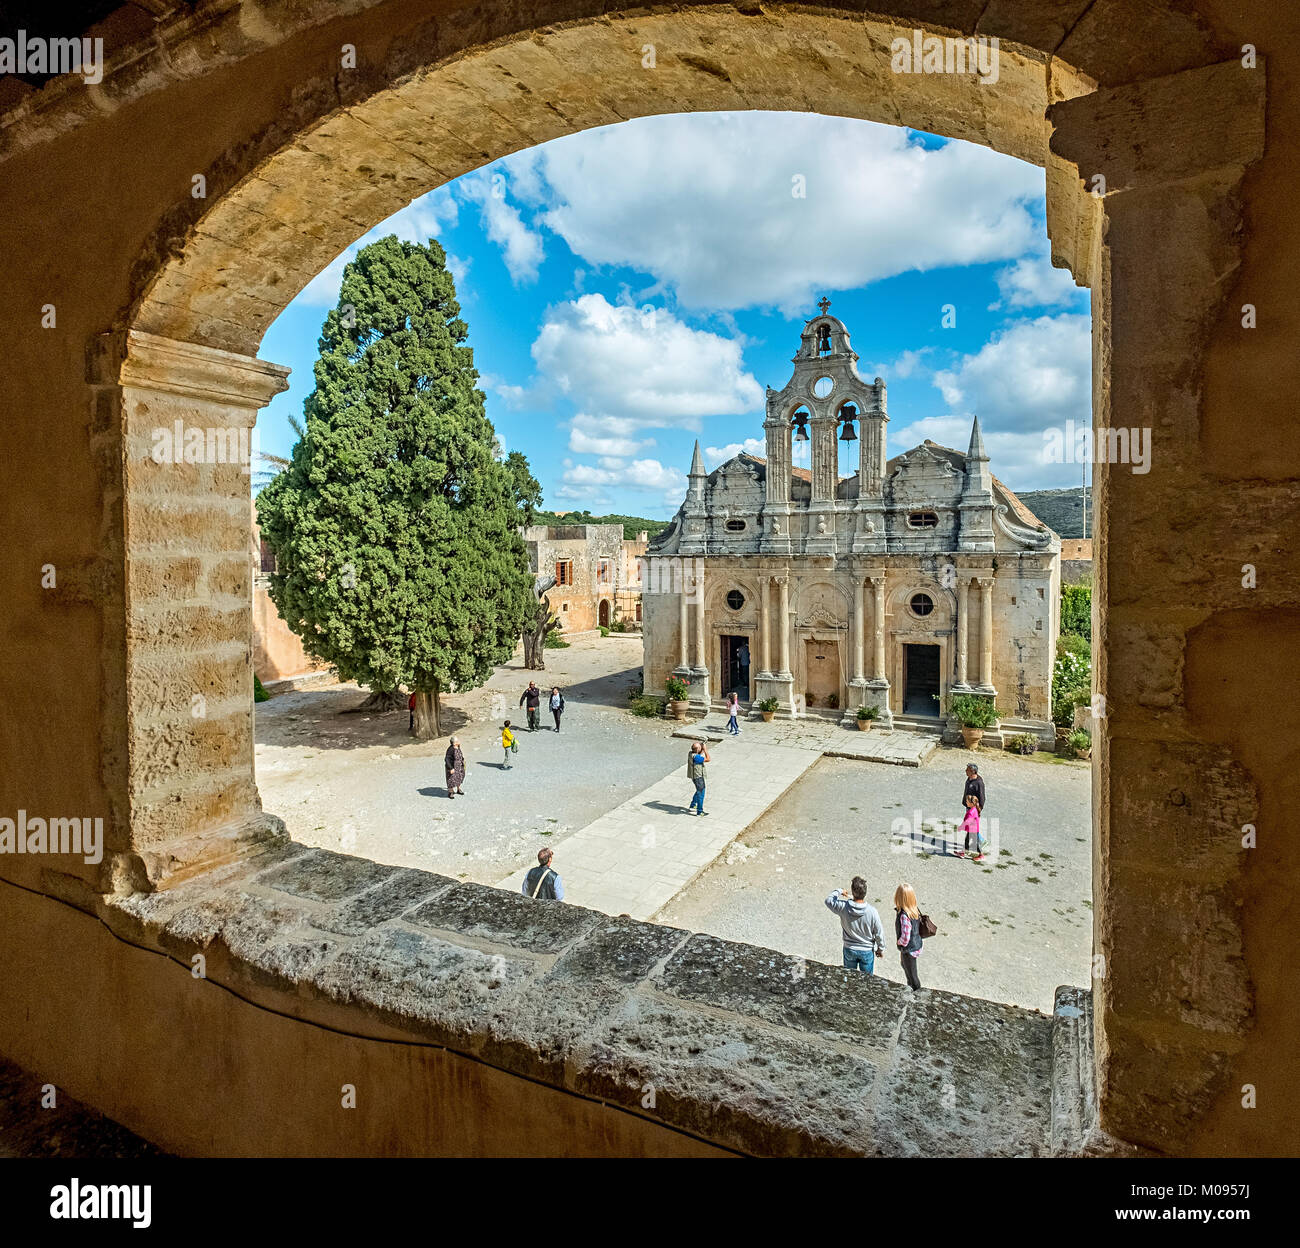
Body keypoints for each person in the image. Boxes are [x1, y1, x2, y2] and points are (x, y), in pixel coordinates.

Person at [825, 877, 884, 974]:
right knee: (867, 981)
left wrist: (840, 891)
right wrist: (880, 949)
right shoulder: (872, 911)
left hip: (849, 948)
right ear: (865, 892)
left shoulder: (844, 907)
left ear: (852, 891)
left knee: (849, 977)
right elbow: (879, 932)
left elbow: (828, 900)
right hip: (866, 950)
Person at [894, 882, 924, 991]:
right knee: (906, 966)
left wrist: (899, 942)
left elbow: (905, 938)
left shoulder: (904, 915)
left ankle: (915, 991)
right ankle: (911, 986)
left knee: (912, 974)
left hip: (909, 949)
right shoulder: (914, 910)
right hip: (916, 944)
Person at [955, 794, 983, 860]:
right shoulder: (974, 809)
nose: (966, 802)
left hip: (973, 830)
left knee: (976, 844)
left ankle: (981, 855)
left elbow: (967, 822)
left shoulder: (972, 812)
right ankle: (963, 853)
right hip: (972, 829)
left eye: (967, 801)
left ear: (972, 803)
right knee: (967, 841)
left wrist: (961, 827)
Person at [687, 741, 710, 816]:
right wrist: (705, 750)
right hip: (698, 777)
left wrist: (701, 749)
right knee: (701, 793)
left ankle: (693, 805)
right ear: (697, 750)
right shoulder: (696, 757)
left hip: (694, 776)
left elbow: (698, 753)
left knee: (698, 790)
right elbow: (708, 759)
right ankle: (700, 811)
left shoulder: (690, 753)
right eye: (700, 747)